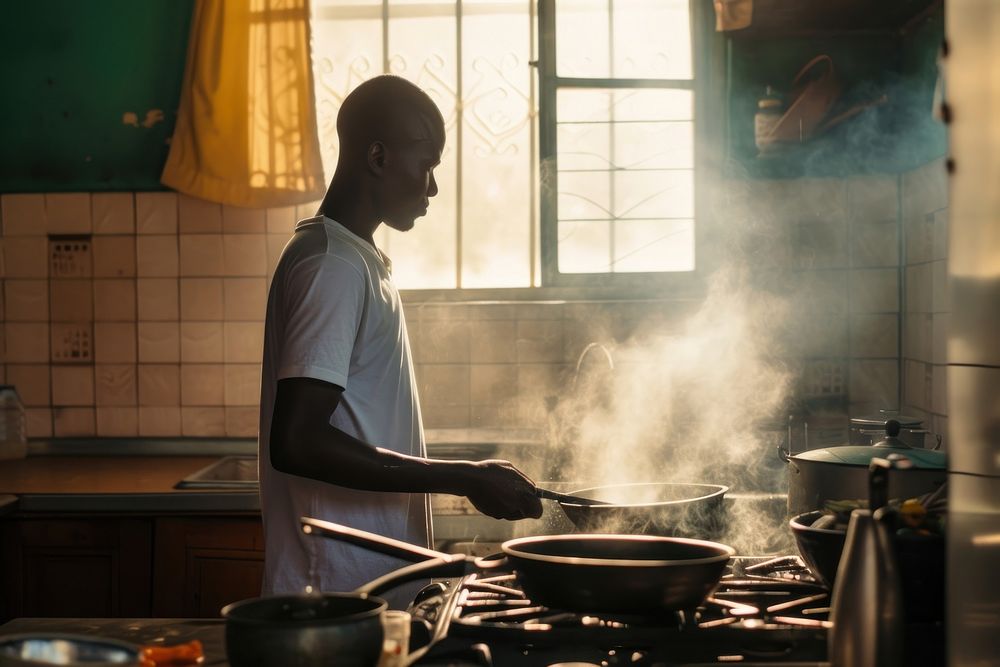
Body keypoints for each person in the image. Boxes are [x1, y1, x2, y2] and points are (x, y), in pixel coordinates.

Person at [258, 75, 542, 604]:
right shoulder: (332, 264)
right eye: (427, 164)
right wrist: (464, 477)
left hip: (366, 595)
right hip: (337, 598)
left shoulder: (355, 259)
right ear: (378, 156)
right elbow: (297, 441)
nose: (432, 187)